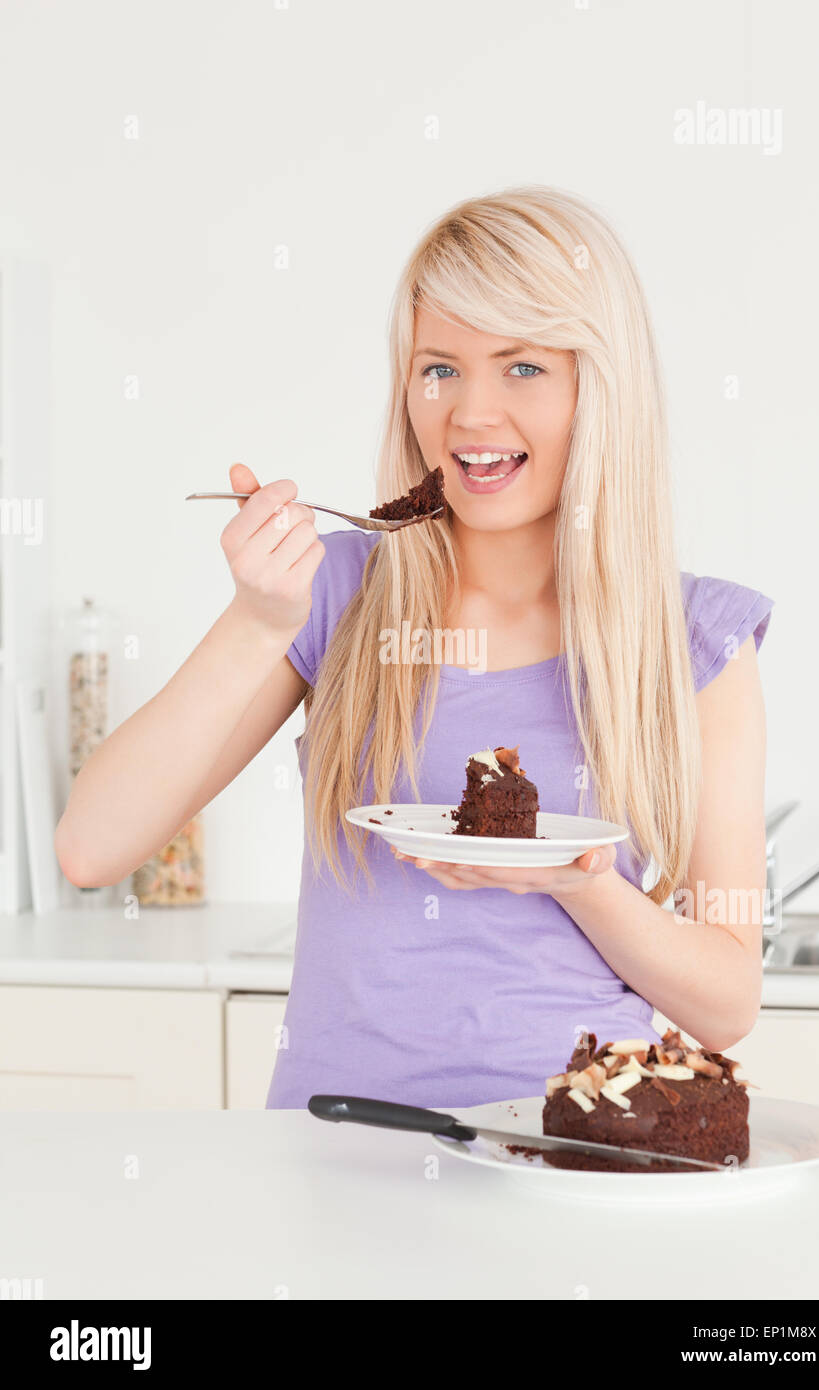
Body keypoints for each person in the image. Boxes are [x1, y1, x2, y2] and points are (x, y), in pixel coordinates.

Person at [55, 185, 774, 1110]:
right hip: (338, 1156)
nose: (470, 413)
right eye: (440, 368)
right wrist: (256, 621)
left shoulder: (697, 642)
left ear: (600, 385)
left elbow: (728, 1001)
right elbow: (91, 846)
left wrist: (579, 885)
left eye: (521, 367)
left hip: (572, 1163)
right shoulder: (338, 595)